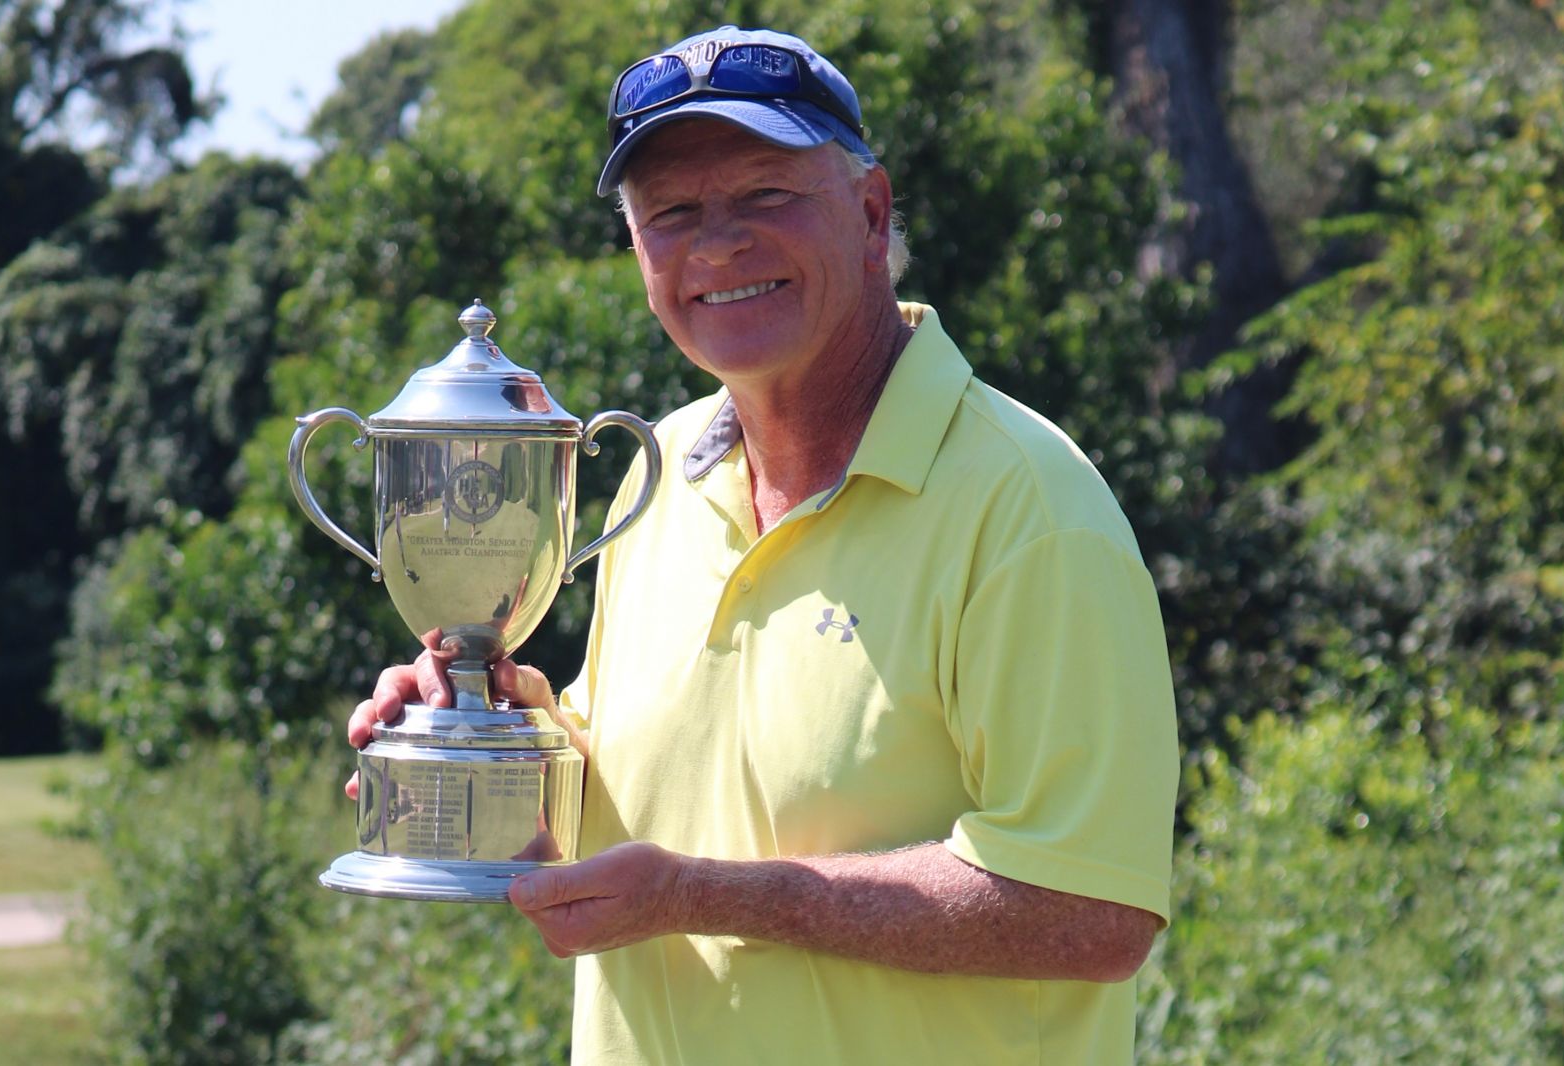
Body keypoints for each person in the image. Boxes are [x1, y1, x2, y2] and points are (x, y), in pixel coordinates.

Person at [347, 25, 1179, 1065]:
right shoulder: (657, 477)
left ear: (870, 213)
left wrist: (707, 895)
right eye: (672, 215)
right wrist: (480, 727)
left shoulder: (1028, 506)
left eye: (764, 196)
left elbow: (1092, 910)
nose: (716, 245)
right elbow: (598, 827)